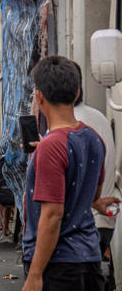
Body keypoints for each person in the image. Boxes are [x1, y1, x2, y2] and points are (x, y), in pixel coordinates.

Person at [22, 56, 118, 291]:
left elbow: (53, 215)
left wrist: (35, 275)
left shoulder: (50, 146)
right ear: (77, 92)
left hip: (57, 264)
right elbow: (92, 193)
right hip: (89, 257)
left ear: (39, 96)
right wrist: (96, 204)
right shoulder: (92, 137)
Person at [72, 62, 117, 290]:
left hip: (82, 224)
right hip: (102, 221)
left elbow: (72, 185)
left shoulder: (69, 128)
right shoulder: (97, 117)